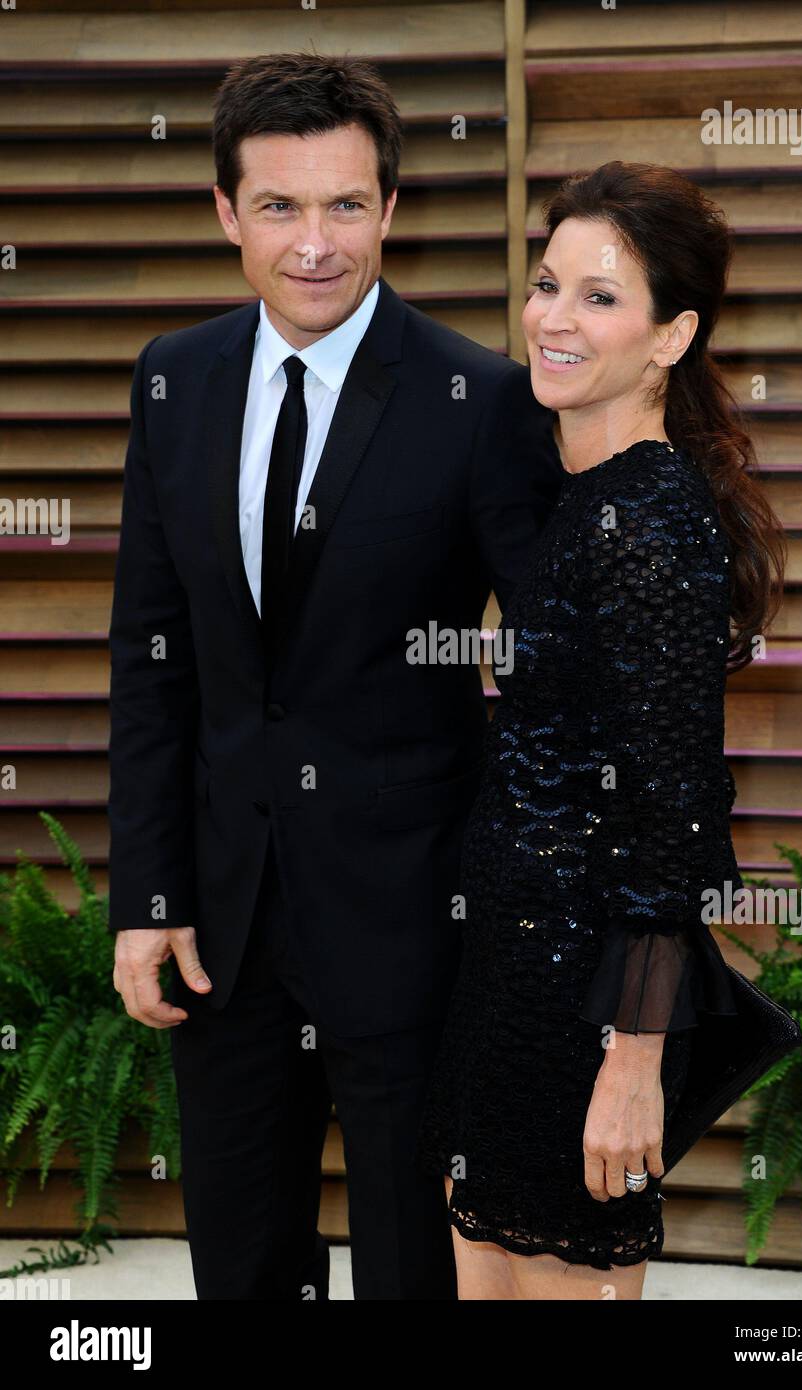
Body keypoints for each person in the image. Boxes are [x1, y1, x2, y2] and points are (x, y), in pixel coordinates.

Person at [107, 52, 562, 1301]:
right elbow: (152, 660)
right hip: (223, 929)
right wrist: (146, 895)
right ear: (225, 212)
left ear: (391, 209)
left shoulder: (481, 398)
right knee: (242, 1266)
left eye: (346, 205)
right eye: (280, 207)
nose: (316, 245)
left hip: (417, 926)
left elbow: (546, 677)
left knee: (415, 1269)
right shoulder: (174, 379)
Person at [416, 160, 787, 1300]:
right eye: (545, 284)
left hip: (584, 996)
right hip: (516, 969)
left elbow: (671, 813)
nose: (553, 319)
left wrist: (633, 1060)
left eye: (599, 296)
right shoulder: (590, 489)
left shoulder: (644, 522)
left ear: (670, 336)